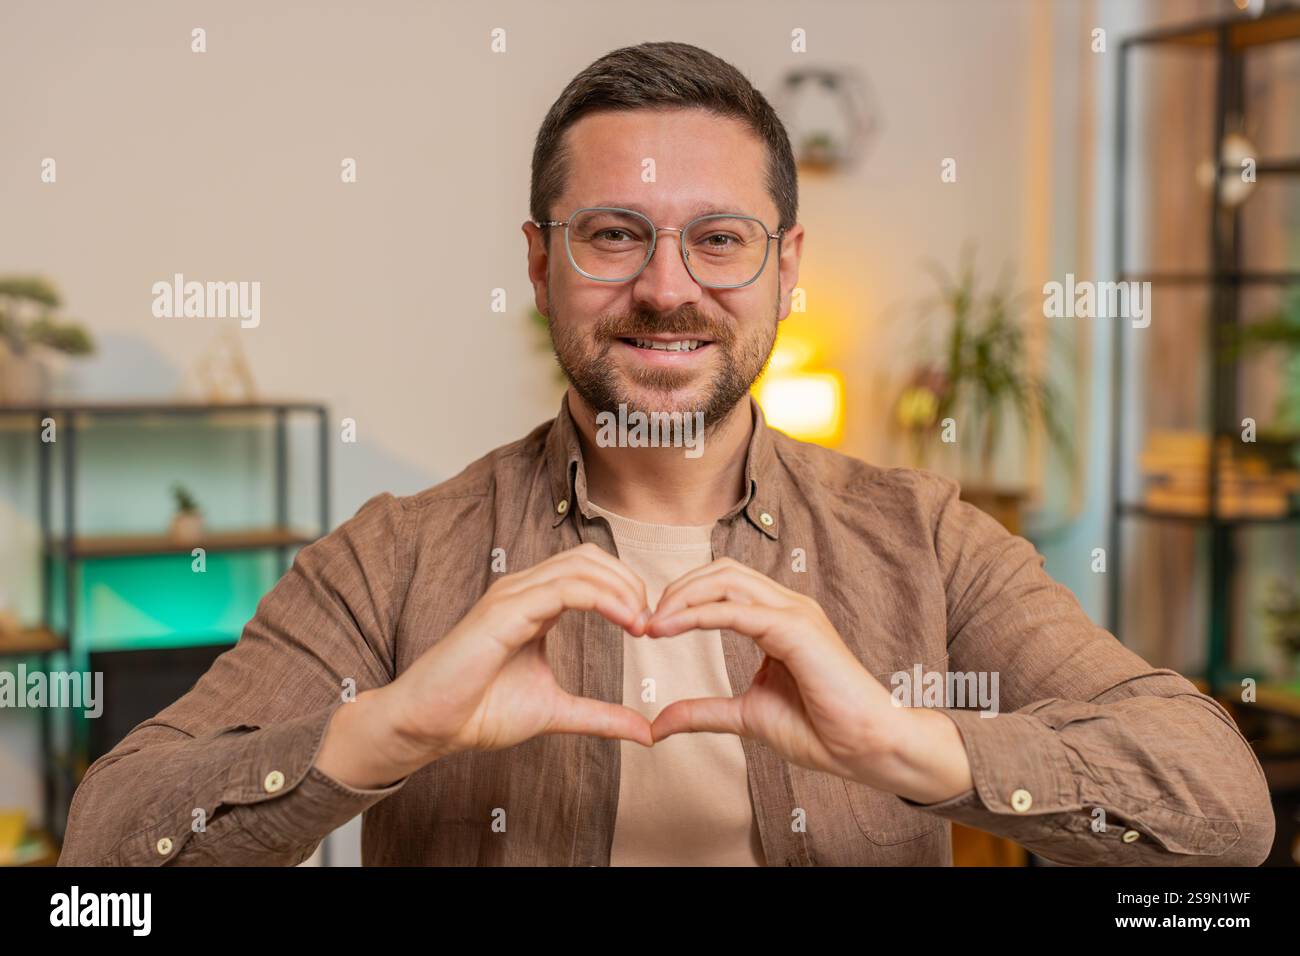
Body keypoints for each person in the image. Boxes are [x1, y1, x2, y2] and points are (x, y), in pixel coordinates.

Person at [59, 41, 1274, 867]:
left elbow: (1222, 806)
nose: (665, 288)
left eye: (719, 239)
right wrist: (379, 735)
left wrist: (909, 746)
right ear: (539, 263)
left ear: (786, 267)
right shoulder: (390, 558)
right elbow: (102, 846)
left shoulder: (929, 541)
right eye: (613, 236)